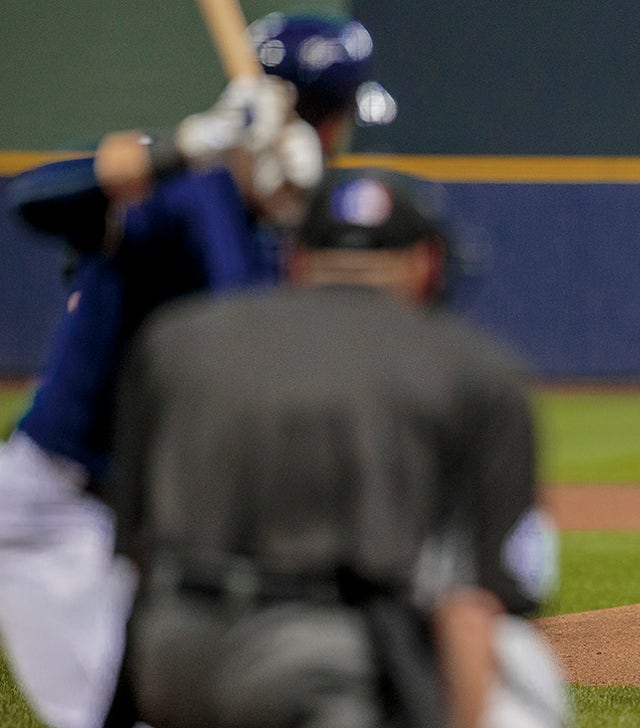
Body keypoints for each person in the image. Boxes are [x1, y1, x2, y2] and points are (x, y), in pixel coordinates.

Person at [0, 13, 392, 728]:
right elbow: (34, 203)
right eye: (341, 119)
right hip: (60, 515)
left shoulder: (272, 225)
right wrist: (185, 149)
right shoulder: (189, 195)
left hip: (150, 520)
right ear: (326, 122)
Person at [109, 167, 570, 728]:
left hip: (172, 654)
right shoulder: (472, 368)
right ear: (427, 265)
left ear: (297, 259)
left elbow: (127, 546)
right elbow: (472, 606)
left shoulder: (175, 339)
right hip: (320, 663)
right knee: (523, 680)